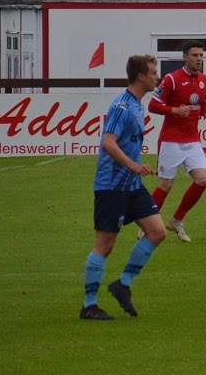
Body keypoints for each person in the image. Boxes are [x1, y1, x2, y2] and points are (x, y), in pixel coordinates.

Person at [81, 54, 167, 320]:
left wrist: (137, 168)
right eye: (153, 72)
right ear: (141, 76)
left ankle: (123, 283)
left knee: (157, 231)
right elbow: (108, 142)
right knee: (105, 244)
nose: (157, 76)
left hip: (132, 185)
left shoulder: (138, 105)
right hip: (112, 186)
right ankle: (89, 305)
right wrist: (133, 165)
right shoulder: (122, 107)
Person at [147, 41, 206, 242]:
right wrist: (174, 110)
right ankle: (147, 224)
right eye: (194, 55)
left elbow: (201, 101)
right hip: (171, 140)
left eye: (201, 55)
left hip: (192, 140)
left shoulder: (204, 80)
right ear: (185, 57)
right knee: (166, 184)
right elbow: (153, 104)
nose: (198, 59)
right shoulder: (172, 79)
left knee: (203, 179)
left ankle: (176, 220)